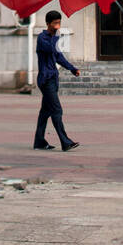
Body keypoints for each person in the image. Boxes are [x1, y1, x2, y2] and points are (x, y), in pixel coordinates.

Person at [34, 10, 81, 151]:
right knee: (57, 110)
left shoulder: (54, 37)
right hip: (45, 80)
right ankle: (65, 142)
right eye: (55, 23)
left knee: (45, 113)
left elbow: (58, 57)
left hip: (53, 79)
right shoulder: (42, 38)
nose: (58, 25)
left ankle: (39, 142)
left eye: (59, 22)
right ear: (48, 24)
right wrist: (55, 35)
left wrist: (72, 69)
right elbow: (50, 49)